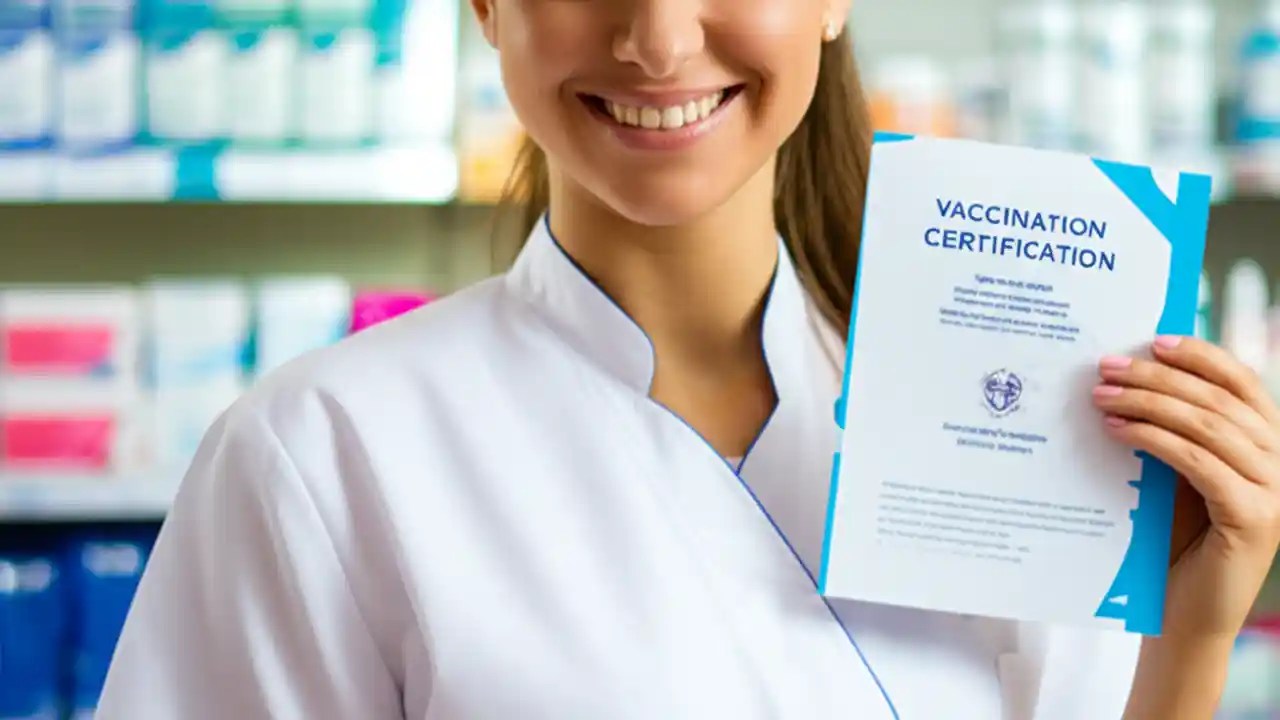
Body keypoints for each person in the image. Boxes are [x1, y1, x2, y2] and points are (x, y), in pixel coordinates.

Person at [97, 1, 1280, 718]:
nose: (656, 40)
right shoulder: (323, 454)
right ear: (486, 4)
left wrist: (1192, 627)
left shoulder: (1001, 417)